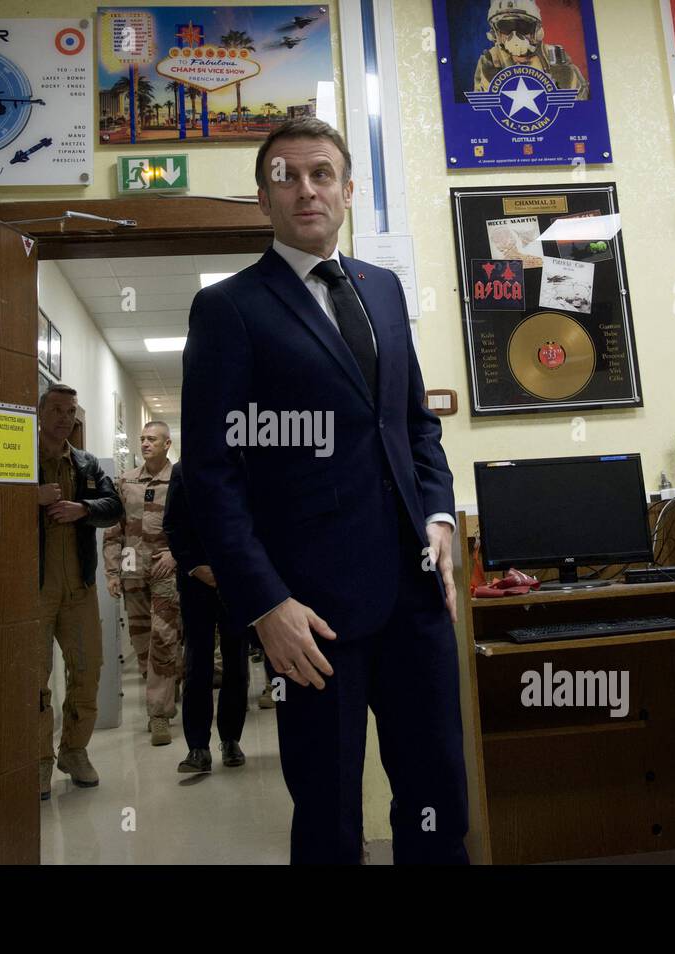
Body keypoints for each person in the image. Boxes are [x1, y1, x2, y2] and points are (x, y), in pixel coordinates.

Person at [180, 117, 469, 864]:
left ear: (347, 189)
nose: (305, 188)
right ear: (262, 198)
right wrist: (264, 605)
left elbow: (412, 427)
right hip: (311, 616)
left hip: (416, 593)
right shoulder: (230, 309)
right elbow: (211, 474)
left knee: (439, 798)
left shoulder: (384, 289)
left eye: (321, 174)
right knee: (331, 819)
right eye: (286, 176)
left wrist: (438, 515)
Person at [37, 385, 122, 797]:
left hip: (80, 589)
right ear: (41, 413)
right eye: (56, 409)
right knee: (36, 679)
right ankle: (38, 762)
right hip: (34, 591)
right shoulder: (20, 460)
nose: (65, 417)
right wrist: (30, 498)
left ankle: (74, 751)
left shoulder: (86, 464)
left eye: (70, 410)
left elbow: (115, 506)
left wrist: (83, 509)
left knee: (88, 671)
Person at [163, 460, 249, 774]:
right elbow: (172, 525)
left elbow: (254, 522)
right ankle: (197, 747)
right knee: (197, 663)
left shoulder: (244, 467)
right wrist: (194, 566)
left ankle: (231, 740)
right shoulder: (183, 471)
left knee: (236, 662)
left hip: (236, 580)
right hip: (196, 581)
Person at [102, 422, 181, 746]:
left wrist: (176, 555)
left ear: (166, 444)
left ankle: (158, 714)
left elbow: (194, 524)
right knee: (142, 641)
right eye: (142, 439)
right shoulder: (126, 482)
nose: (146, 444)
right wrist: (111, 572)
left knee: (163, 636)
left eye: (152, 439)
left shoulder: (179, 480)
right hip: (132, 572)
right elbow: (113, 531)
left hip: (165, 570)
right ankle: (164, 687)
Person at [472, 0, 588, 96]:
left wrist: (565, 78)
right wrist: (489, 81)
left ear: (537, 31)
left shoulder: (553, 56)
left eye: (523, 26)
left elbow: (580, 99)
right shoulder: (491, 59)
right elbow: (483, 106)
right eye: (505, 26)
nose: (514, 36)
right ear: (496, 33)